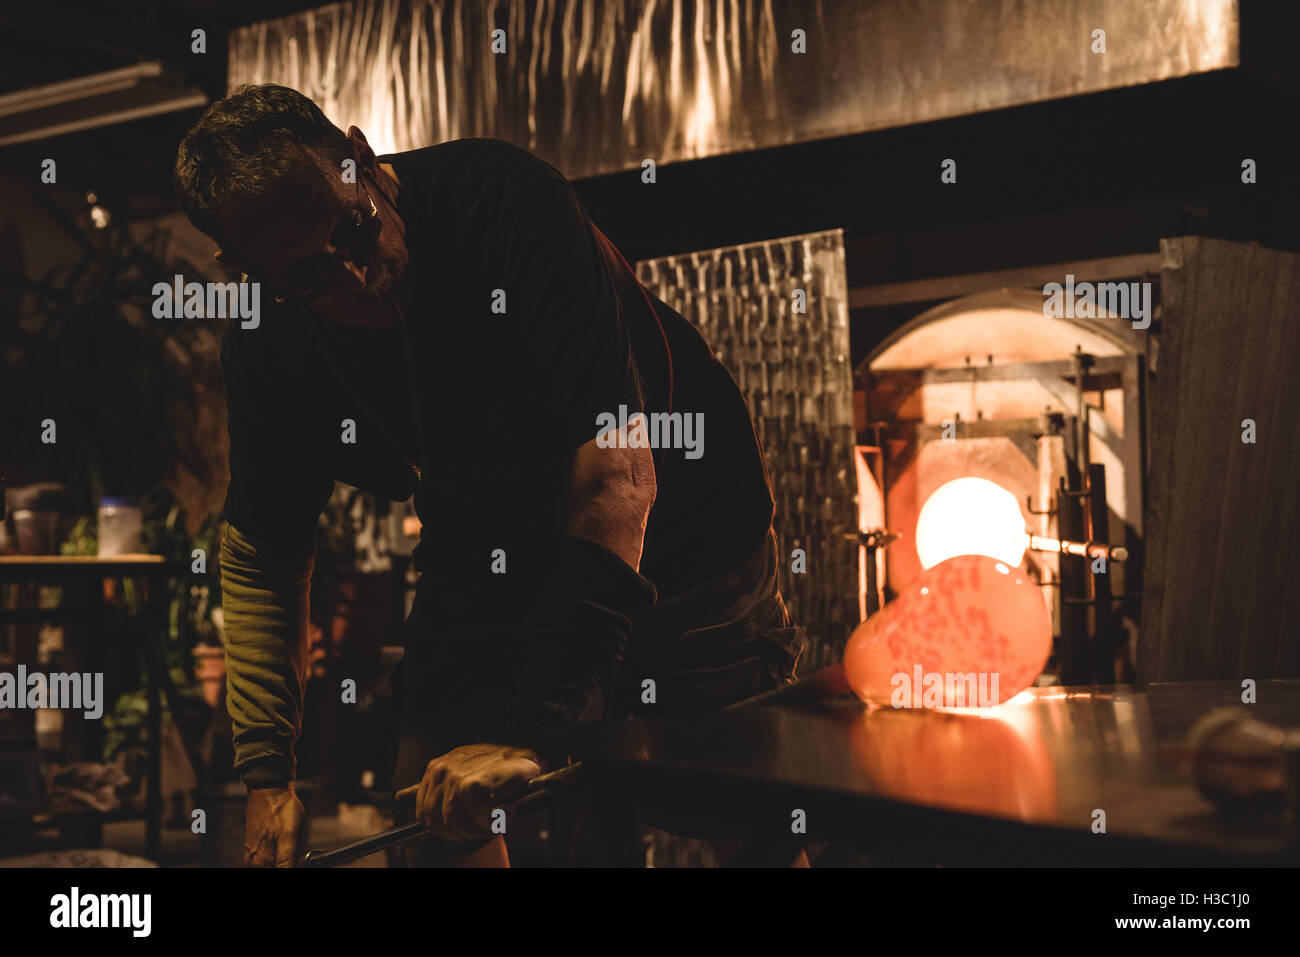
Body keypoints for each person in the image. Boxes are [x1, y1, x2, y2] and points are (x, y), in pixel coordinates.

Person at [173, 84, 806, 866]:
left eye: (356, 229)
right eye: (308, 275)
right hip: (488, 537)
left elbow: (616, 477)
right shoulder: (268, 337)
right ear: (244, 269)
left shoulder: (507, 204)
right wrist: (269, 776)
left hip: (684, 510)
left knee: (736, 809)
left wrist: (531, 730)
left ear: (362, 158)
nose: (357, 276)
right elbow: (265, 553)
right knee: (437, 812)